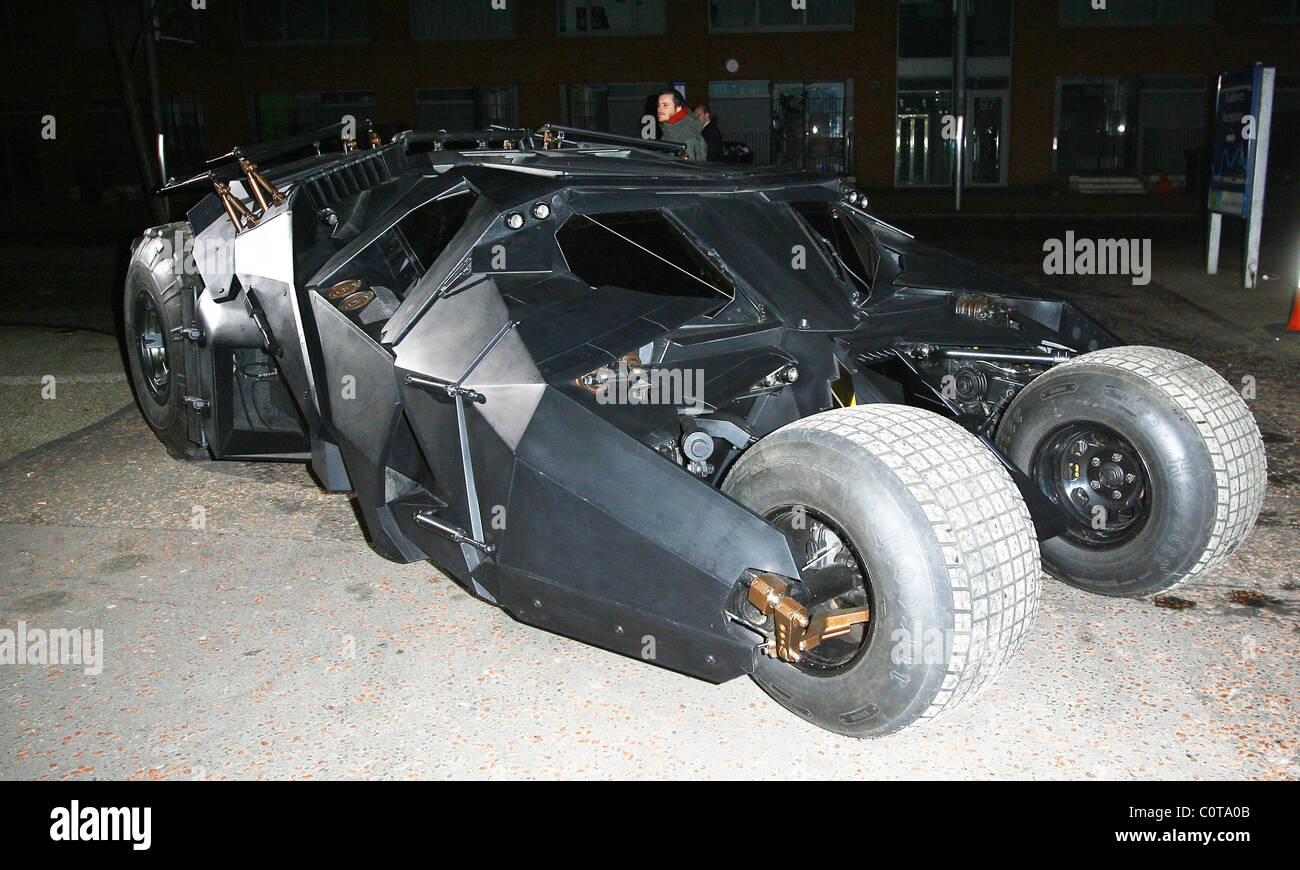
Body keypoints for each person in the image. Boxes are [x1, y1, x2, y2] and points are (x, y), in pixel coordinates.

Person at [655, 89, 707, 162]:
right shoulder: (671, 128)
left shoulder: (686, 135)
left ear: (678, 108)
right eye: (658, 105)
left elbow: (689, 169)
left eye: (665, 105)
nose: (659, 110)